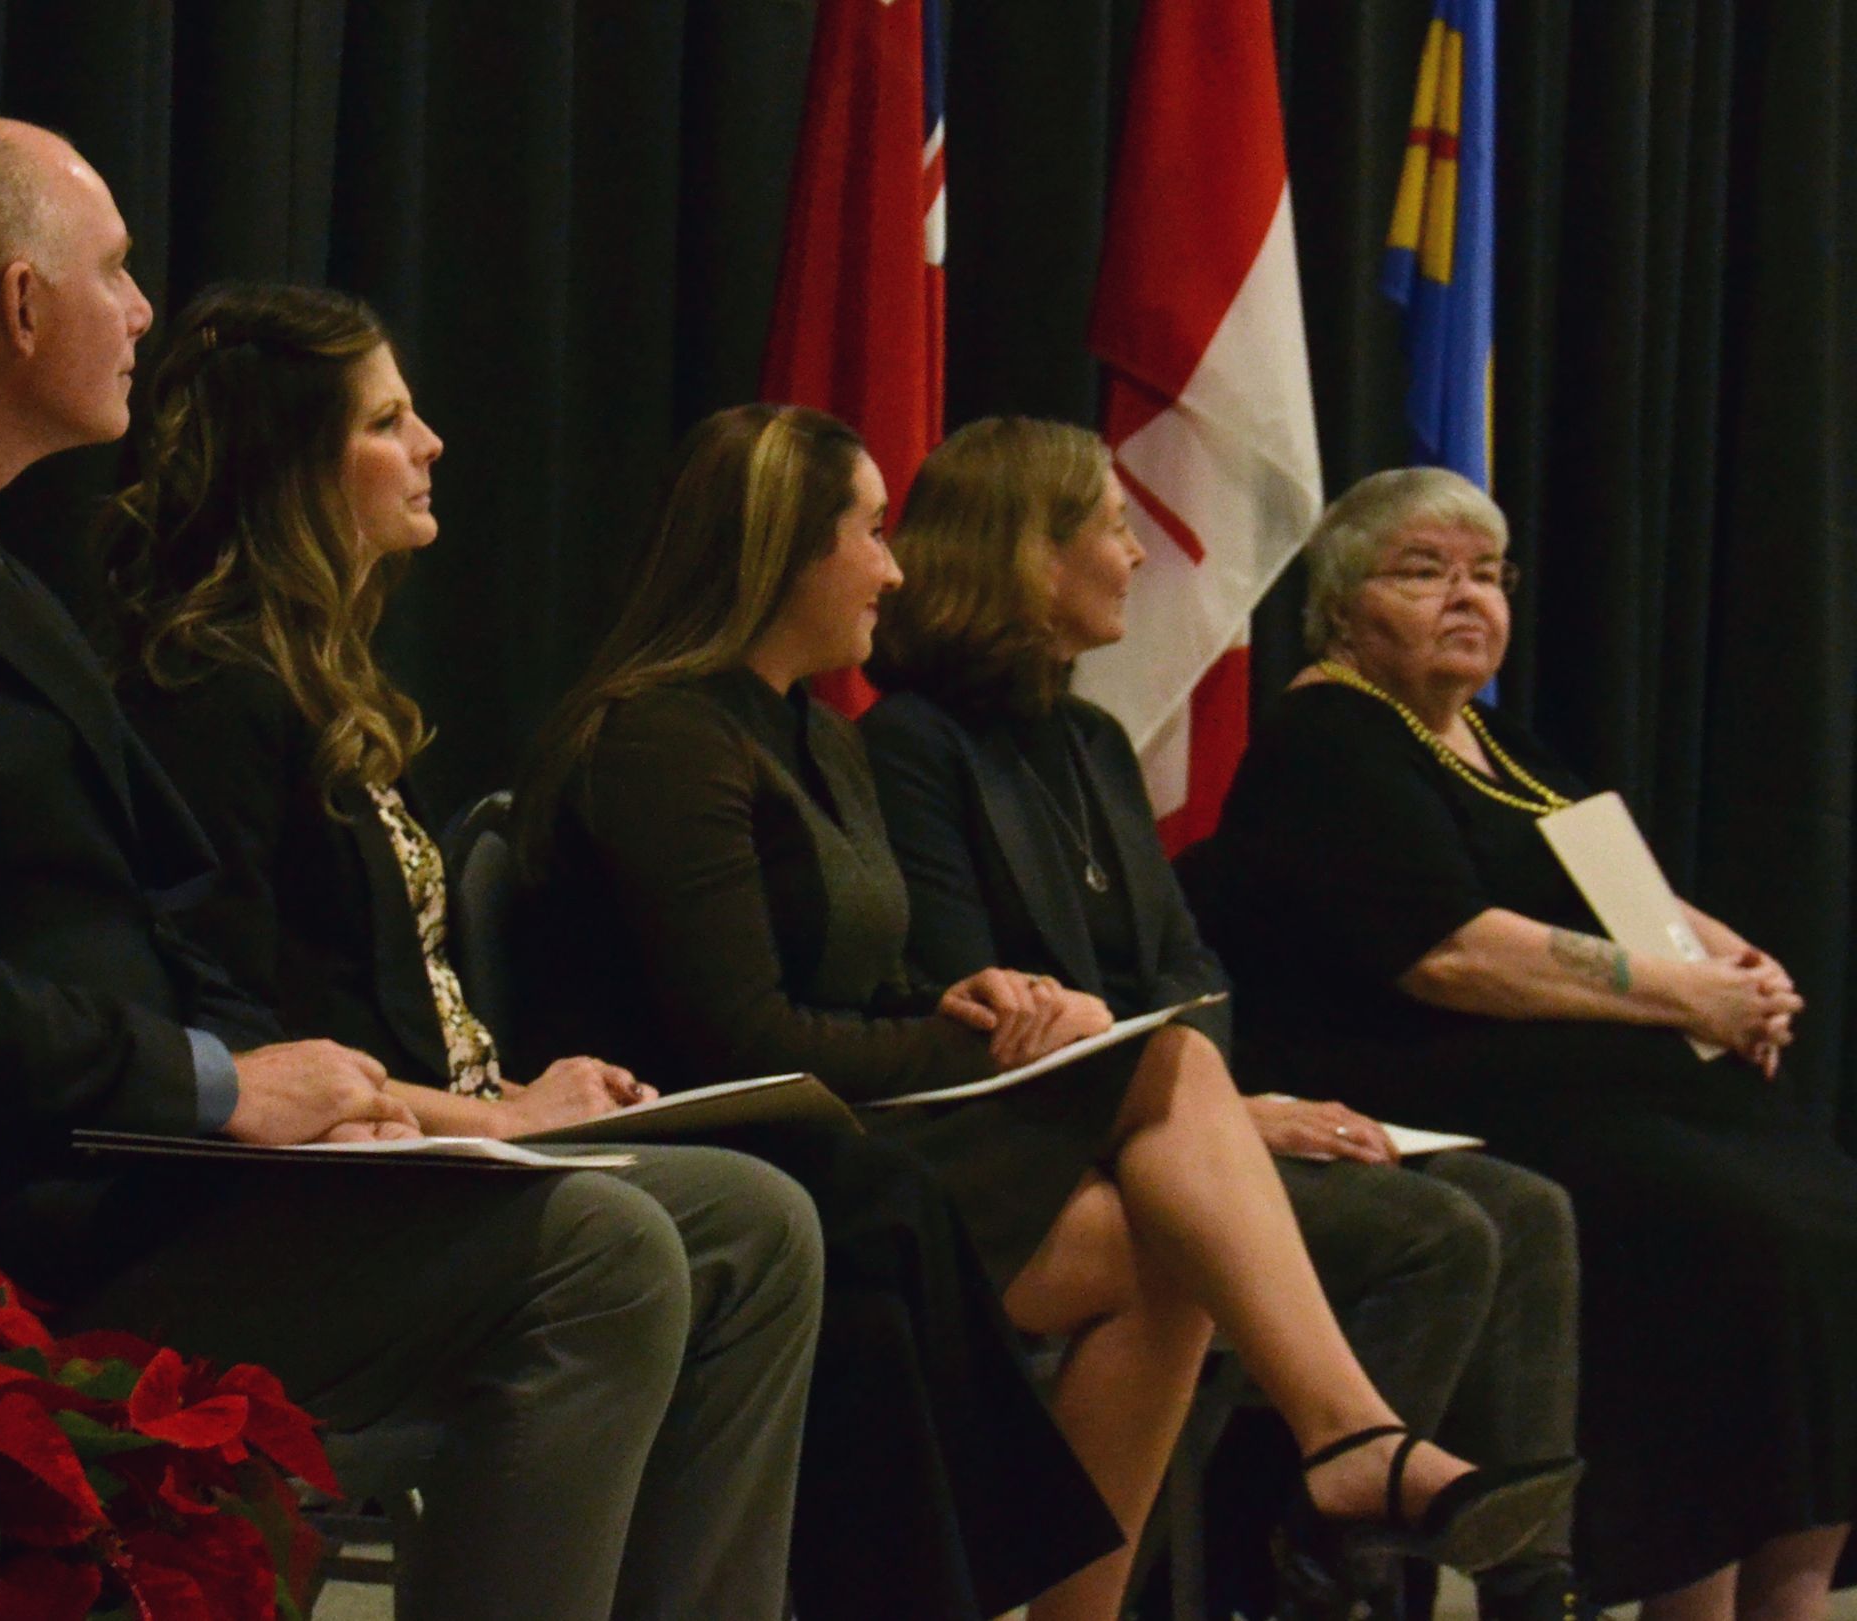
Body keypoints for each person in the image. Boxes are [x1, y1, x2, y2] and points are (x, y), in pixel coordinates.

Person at [0, 116, 824, 1621]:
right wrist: (215, 1089)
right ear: (18, 303)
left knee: (754, 1225)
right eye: (114, 272)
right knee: (603, 1252)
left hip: (152, 1184)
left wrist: (326, 1100)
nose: (140, 313)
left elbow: (160, 913)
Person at [100, 280, 1119, 1621]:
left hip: (446, 1142)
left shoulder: (313, 681)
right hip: (321, 1192)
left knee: (797, 1221)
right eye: (391, 420)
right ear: (298, 462)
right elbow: (244, 1036)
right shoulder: (214, 695)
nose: (434, 444)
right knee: (775, 1213)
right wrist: (491, 1109)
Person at [511, 402, 1578, 1621]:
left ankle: (1280, 1493)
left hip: (849, 1119)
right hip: (733, 1141)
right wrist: (961, 1032)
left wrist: (958, 994)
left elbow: (868, 976)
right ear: (785, 551)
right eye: (868, 533)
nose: (894, 568)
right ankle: (1349, 1442)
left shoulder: (816, 732)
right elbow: (741, 1034)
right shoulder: (672, 738)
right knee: (1169, 1082)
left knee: (1168, 1235)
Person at [861, 417, 1586, 1621]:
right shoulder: (911, 748)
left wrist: (1213, 1093)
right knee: (1435, 1235)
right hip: (1044, 1142)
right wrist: (1191, 1092)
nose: (1140, 554)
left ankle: (1525, 1583)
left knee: (1526, 1207)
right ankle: (1309, 1566)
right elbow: (964, 984)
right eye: (1108, 526)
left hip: (1167, 1118)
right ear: (1030, 556)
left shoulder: (1090, 738)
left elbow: (1185, 963)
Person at [1189, 465, 1857, 1620]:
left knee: (1829, 1218)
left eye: (1488, 575)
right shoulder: (1332, 736)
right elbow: (1447, 952)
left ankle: (1786, 1602)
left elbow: (1623, 884)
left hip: (1607, 1093)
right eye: (1424, 570)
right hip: (1422, 1088)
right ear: (1344, 603)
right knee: (1729, 1233)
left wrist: (1738, 965)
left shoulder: (1496, 742)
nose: (1468, 596)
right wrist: (1684, 999)